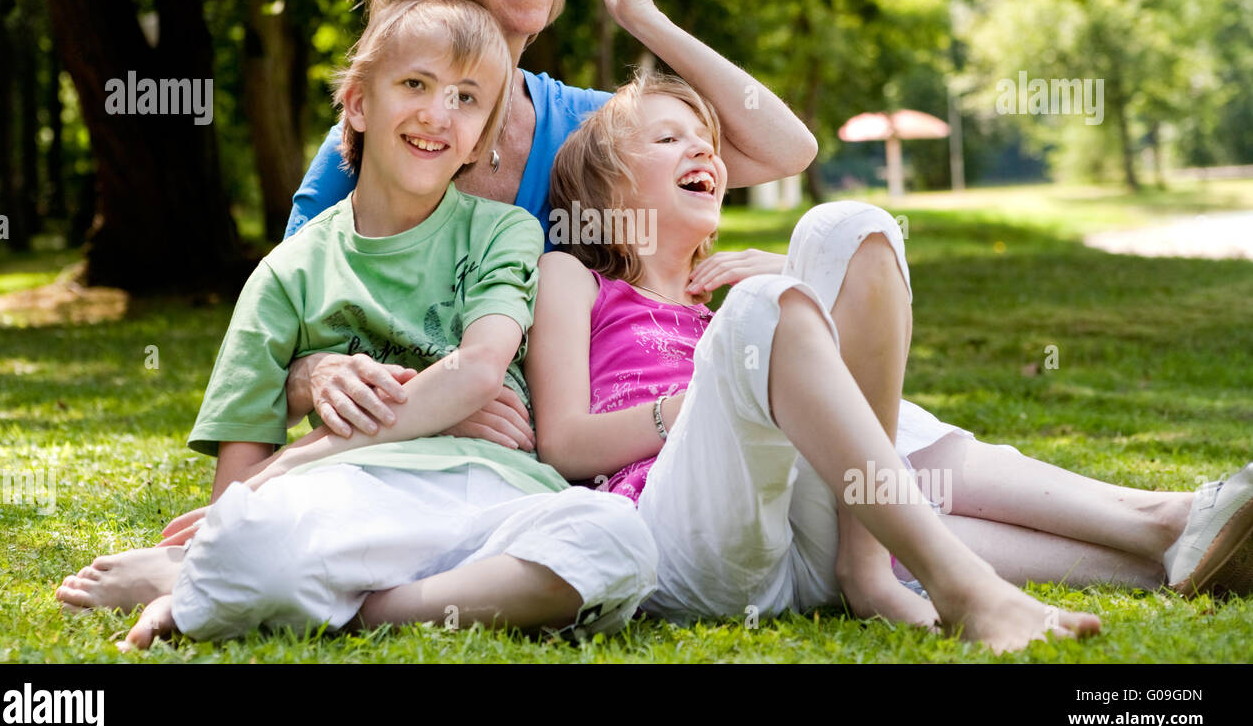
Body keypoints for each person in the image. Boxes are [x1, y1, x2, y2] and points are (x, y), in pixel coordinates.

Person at [525, 70, 1253, 652]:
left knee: (851, 225)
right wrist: (701, 397)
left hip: (807, 549)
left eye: (706, 141)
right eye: (667, 138)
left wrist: (794, 280)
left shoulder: (722, 303)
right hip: (692, 546)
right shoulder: (575, 278)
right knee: (761, 318)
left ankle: (1169, 536)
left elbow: (850, 377)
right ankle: (963, 586)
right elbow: (563, 442)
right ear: (610, 186)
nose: (704, 152)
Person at [55, 0, 657, 649]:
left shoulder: (502, 232)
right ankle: (214, 579)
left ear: (482, 138)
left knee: (618, 540)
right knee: (252, 543)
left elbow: (480, 370)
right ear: (359, 104)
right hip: (350, 499)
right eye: (415, 84)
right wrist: (423, 409)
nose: (437, 112)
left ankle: (352, 605)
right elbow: (236, 494)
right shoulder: (287, 275)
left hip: (497, 488)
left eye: (466, 98)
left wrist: (298, 459)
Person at [276, 0, 819, 467]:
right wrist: (387, 391)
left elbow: (785, 148)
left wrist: (646, 21)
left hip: (570, 477)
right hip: (410, 465)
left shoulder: (587, 126)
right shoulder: (378, 141)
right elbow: (277, 335)